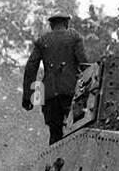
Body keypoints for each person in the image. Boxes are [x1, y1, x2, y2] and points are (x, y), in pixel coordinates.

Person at [21, 12, 89, 145]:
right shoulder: (74, 37)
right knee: (77, 129)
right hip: (71, 91)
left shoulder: (42, 40)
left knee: (54, 133)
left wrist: (28, 96)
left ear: (51, 25)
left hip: (47, 93)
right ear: (66, 23)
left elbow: (30, 68)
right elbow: (84, 63)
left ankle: (55, 162)